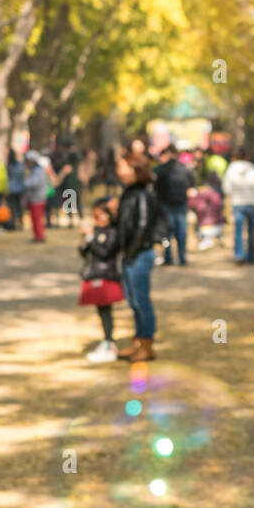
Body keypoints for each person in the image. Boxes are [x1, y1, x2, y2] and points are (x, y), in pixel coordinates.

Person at [115, 149, 160, 362]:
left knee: (141, 301)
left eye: (122, 166)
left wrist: (131, 252)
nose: (119, 171)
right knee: (133, 301)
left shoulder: (143, 194)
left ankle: (147, 345)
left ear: (135, 169)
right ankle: (138, 342)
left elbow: (142, 226)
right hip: (130, 254)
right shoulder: (129, 192)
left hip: (139, 255)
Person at [79, 198, 125, 363]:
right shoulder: (96, 230)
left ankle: (109, 342)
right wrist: (85, 239)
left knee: (106, 311)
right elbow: (84, 252)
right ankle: (106, 341)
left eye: (101, 213)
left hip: (106, 275)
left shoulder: (113, 232)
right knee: (101, 311)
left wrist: (91, 238)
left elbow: (105, 252)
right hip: (94, 274)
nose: (98, 217)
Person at [224, 148, 254, 264]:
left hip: (237, 203)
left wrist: (232, 196)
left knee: (238, 230)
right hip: (252, 203)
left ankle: (239, 255)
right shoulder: (253, 169)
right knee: (251, 230)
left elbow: (226, 188)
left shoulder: (231, 169)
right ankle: (251, 256)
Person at [154, 147, 192, 266]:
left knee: (167, 234)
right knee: (182, 232)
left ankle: (168, 257)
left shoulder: (161, 169)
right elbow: (191, 185)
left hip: (166, 204)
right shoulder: (184, 168)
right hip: (181, 204)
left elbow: (156, 188)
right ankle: (182, 257)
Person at [187, 176, 225, 250]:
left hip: (205, 228)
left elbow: (192, 206)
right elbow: (221, 208)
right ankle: (219, 238)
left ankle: (205, 239)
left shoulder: (199, 198)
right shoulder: (216, 195)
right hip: (219, 227)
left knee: (195, 220)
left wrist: (191, 196)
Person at [23, 150, 50, 242]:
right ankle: (37, 236)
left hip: (38, 198)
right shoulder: (34, 170)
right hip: (35, 197)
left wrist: (25, 183)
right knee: (35, 218)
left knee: (37, 218)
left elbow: (35, 183)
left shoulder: (38, 171)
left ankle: (40, 236)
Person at [6, 150, 25, 231]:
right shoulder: (20, 165)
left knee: (12, 207)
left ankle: (13, 222)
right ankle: (20, 222)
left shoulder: (9, 166)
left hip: (11, 189)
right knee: (18, 206)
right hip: (19, 188)